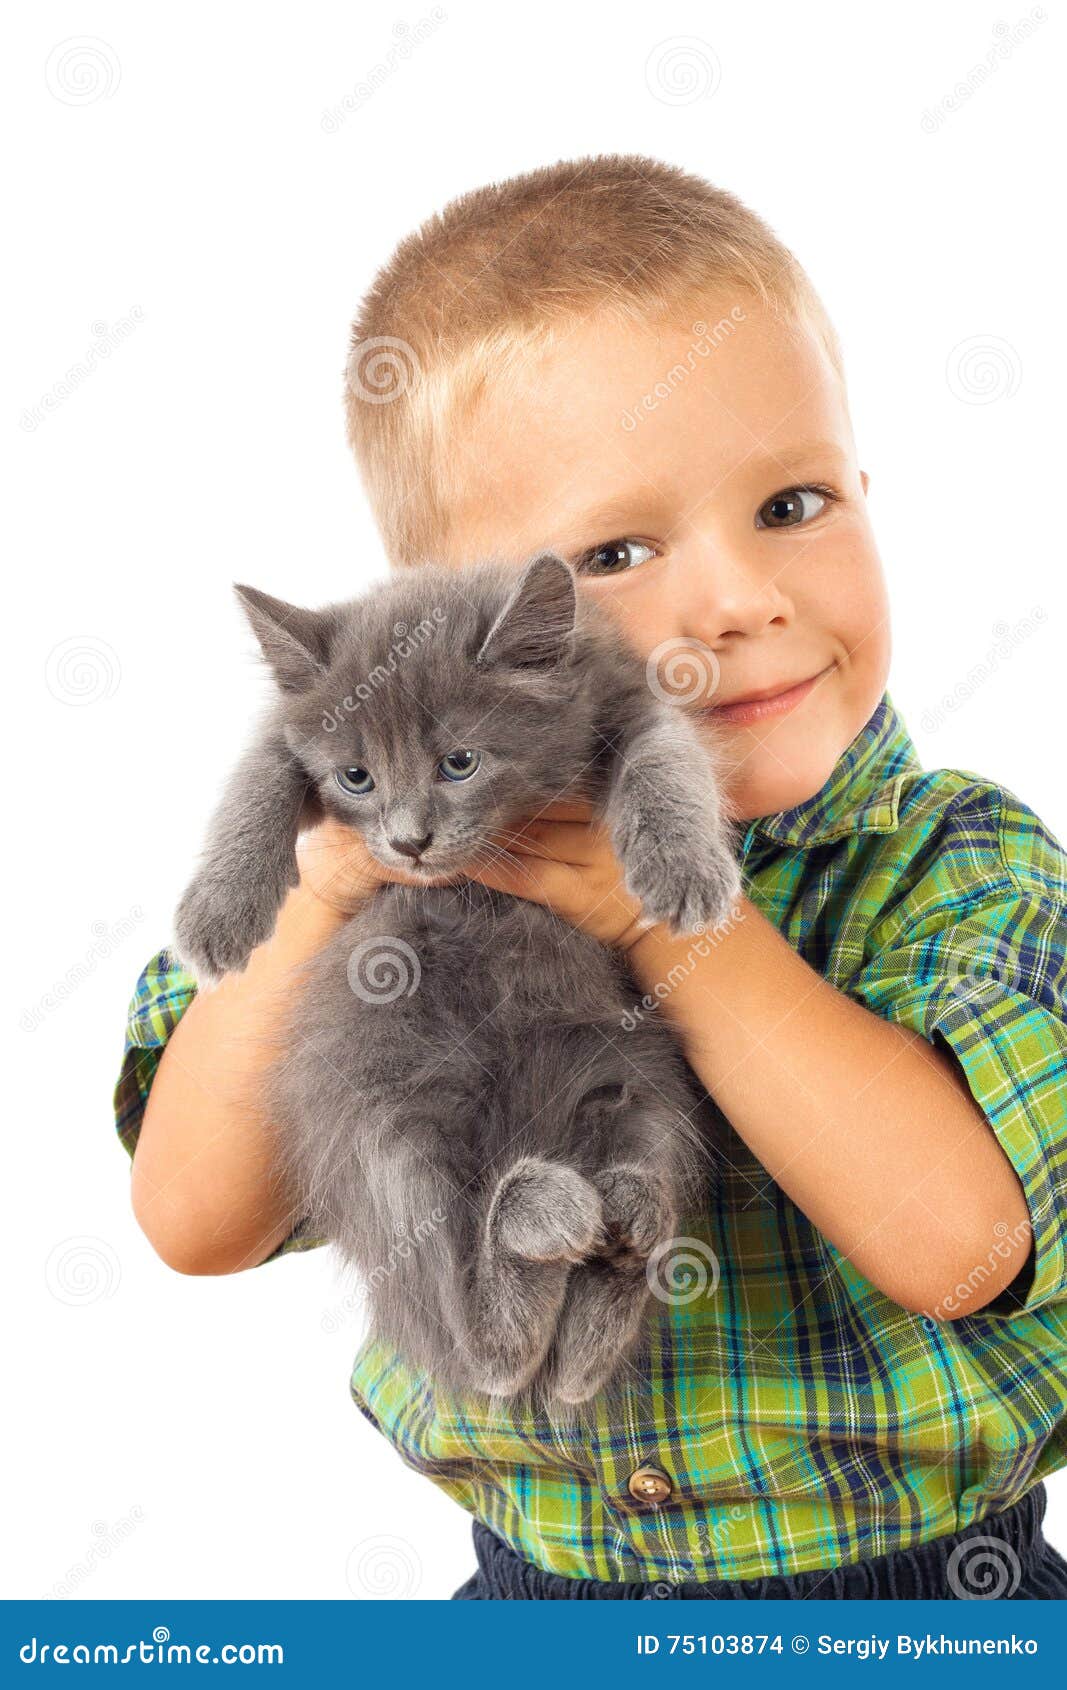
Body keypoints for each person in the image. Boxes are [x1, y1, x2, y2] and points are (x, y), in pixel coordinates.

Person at [114, 155, 1067, 1600]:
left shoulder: (953, 868)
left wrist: (674, 934)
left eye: (796, 503)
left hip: (918, 1601)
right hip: (530, 1600)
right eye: (615, 550)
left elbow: (967, 1245)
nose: (742, 598)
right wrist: (320, 893)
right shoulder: (394, 888)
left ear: (871, 487)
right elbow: (194, 1217)